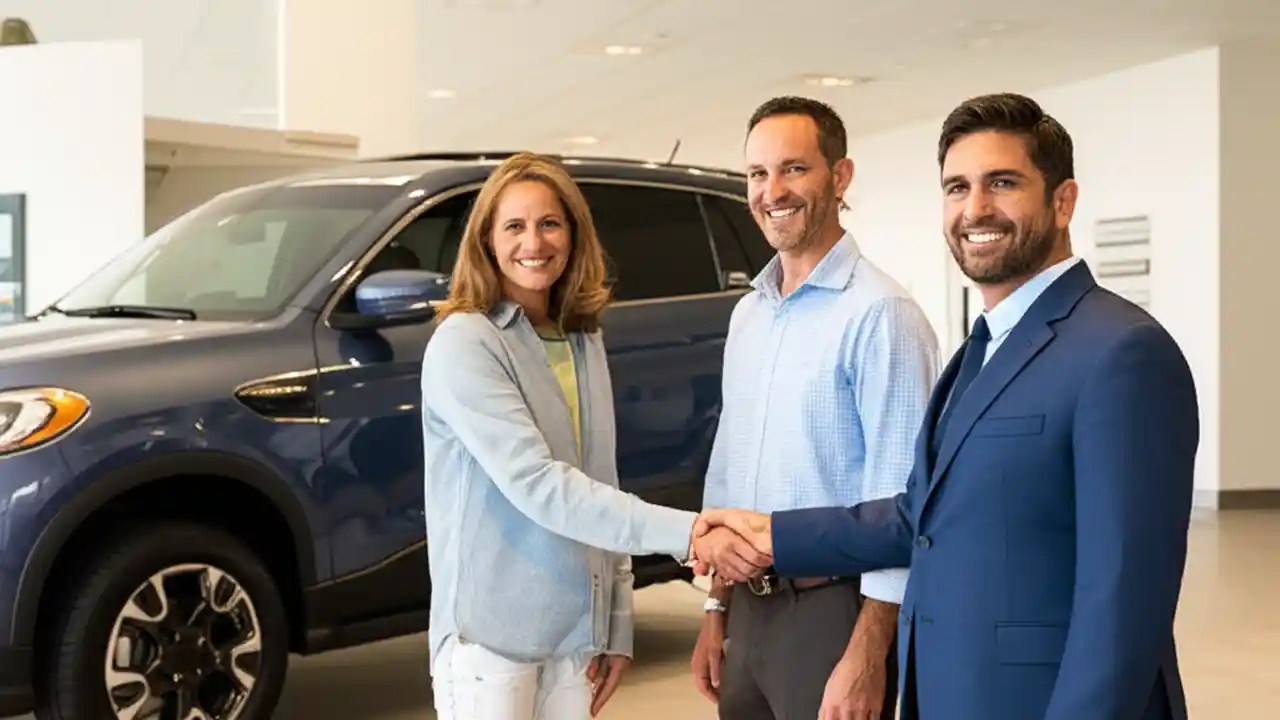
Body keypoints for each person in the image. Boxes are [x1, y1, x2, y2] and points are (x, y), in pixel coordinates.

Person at [694, 93, 1200, 720]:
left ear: (1063, 200)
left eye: (1003, 183)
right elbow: (917, 521)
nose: (975, 208)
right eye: (956, 187)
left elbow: (1124, 602)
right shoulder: (979, 353)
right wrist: (774, 535)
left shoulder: (1123, 352)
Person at [419, 152, 767, 720]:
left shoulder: (581, 339)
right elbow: (540, 485)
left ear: (574, 234)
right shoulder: (466, 343)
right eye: (514, 225)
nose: (534, 241)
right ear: (485, 240)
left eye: (550, 223)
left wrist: (616, 626)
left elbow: (600, 480)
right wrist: (690, 534)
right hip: (491, 645)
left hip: (574, 638)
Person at [689, 96, 940, 720]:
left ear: (840, 176)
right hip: (749, 610)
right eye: (757, 174)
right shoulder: (750, 313)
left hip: (832, 615)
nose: (772, 190)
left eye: (794, 169)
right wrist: (716, 607)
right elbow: (729, 468)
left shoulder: (882, 316)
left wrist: (867, 653)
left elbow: (901, 505)